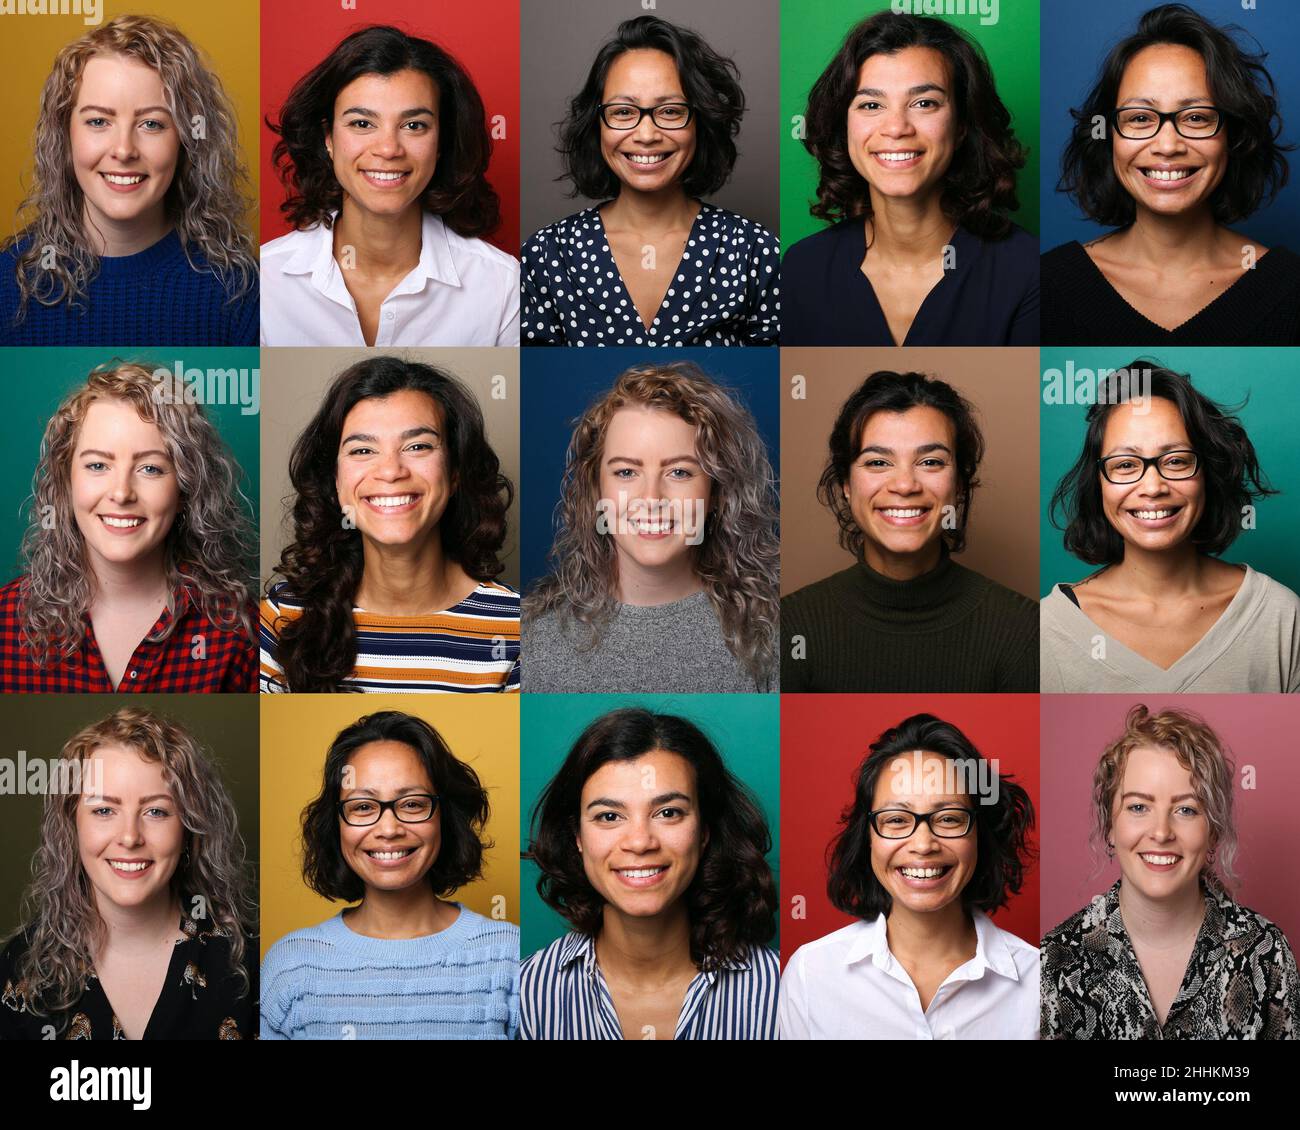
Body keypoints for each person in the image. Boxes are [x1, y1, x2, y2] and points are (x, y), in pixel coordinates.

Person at [1042, 4, 1300, 345]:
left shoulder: (1290, 287)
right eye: (1139, 118)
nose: (1167, 145)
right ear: (1108, 135)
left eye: (1196, 117)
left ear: (1232, 137)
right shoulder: (1046, 282)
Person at [260, 356, 520, 693]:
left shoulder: (515, 627)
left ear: (455, 472)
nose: (391, 470)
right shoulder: (283, 615)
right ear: (335, 479)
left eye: (417, 446)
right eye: (363, 450)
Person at [782, 11, 1037, 347]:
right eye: (871, 105)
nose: (897, 127)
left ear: (961, 125)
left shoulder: (1027, 270)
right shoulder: (802, 268)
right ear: (844, 128)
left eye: (924, 103)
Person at [0, 15, 258, 346]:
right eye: (97, 121)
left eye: (152, 124)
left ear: (186, 139)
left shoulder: (240, 292)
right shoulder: (8, 285)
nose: (123, 150)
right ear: (65, 134)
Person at [1042, 705, 1298, 1039]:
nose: (1161, 832)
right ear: (1110, 826)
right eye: (1138, 807)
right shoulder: (1055, 959)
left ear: (1213, 833)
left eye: (1186, 810)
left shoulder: (1267, 951)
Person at [521, 707, 778, 1039]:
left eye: (668, 812)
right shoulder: (525, 994)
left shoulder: (780, 989)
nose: (640, 842)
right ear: (577, 837)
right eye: (609, 816)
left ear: (704, 832)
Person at [521, 15, 779, 346]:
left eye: (670, 111)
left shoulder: (756, 252)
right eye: (623, 112)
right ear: (597, 125)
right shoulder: (545, 256)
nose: (646, 135)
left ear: (700, 122)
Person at [1042, 362, 1300, 692]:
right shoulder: (1048, 627)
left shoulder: (1280, 617)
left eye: (1176, 460)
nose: (1153, 486)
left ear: (1207, 472)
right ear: (1099, 483)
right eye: (1125, 464)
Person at [0, 362, 258, 693]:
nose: (121, 493)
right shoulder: (6, 622)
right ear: (67, 482)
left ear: (184, 489)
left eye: (151, 468)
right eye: (97, 465)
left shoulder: (237, 634)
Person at [0, 707, 256, 1039]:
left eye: (156, 811)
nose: (130, 837)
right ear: (72, 825)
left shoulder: (250, 963)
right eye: (104, 810)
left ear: (188, 828)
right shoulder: (18, 967)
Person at [260, 711, 519, 1039]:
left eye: (412, 804)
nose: (389, 829)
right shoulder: (290, 967)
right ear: (336, 824)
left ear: (444, 817)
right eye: (363, 807)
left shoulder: (509, 957)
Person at [522, 362, 778, 692]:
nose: (652, 498)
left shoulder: (772, 633)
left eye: (680, 472)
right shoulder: (530, 639)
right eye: (626, 472)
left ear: (716, 492)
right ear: (597, 489)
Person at [779, 713, 1037, 1039]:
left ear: (979, 835)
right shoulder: (810, 975)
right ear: (868, 836)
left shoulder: (1040, 981)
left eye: (949, 818)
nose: (923, 844)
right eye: (897, 819)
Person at [781, 370, 1037, 692]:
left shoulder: (1025, 629)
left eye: (930, 462)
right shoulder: (789, 625)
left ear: (959, 485)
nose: (904, 485)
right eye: (877, 463)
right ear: (846, 484)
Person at [262, 25, 519, 346]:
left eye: (414, 125)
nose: (388, 149)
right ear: (328, 137)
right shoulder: (264, 280)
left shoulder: (502, 286)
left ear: (441, 141)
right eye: (362, 123)